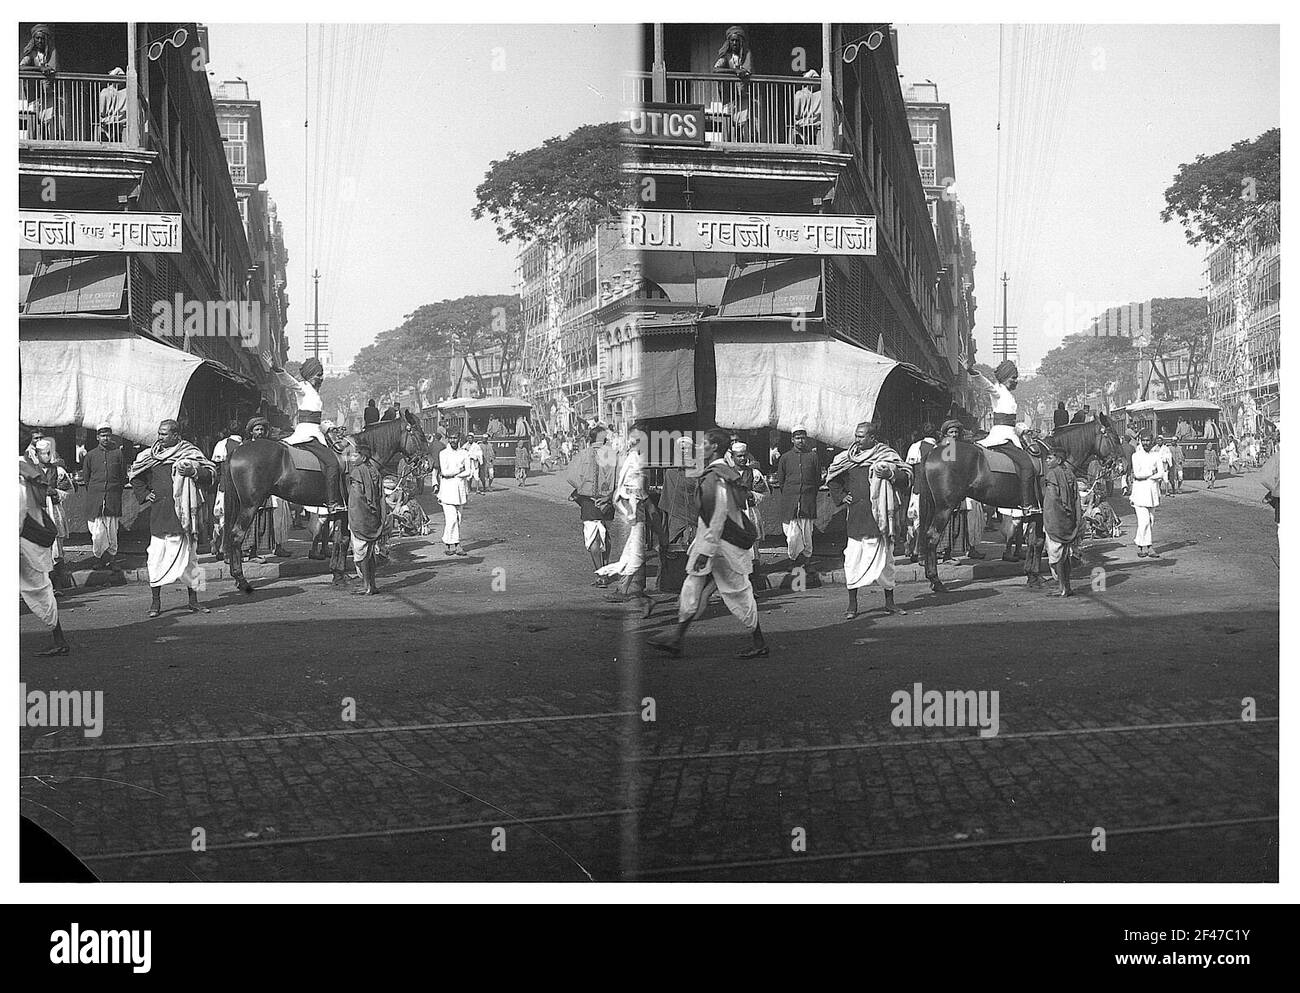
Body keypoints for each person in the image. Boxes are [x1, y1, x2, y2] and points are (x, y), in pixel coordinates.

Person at [648, 428, 768, 660]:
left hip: (722, 546)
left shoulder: (718, 475)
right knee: (692, 587)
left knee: (737, 593)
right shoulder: (715, 472)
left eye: (702, 443)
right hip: (713, 544)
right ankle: (677, 638)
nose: (698, 447)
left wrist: (705, 551)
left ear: (714, 447)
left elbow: (719, 516)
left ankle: (759, 641)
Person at [129, 420, 216, 617]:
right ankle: (155, 603)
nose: (160, 437)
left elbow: (210, 474)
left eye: (164, 434)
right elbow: (135, 475)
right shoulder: (150, 455)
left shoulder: (190, 452)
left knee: (190, 560)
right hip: (160, 514)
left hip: (183, 517)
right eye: (159, 433)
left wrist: (193, 472)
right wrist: (144, 494)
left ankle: (194, 601)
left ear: (176, 435)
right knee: (155, 558)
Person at [826, 422, 911, 620]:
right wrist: (841, 496)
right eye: (856, 435)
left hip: (880, 519)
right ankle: (852, 605)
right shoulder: (847, 457)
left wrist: (890, 474)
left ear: (873, 438)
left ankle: (890, 603)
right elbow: (833, 477)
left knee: (886, 562)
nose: (857, 439)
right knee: (853, 561)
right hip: (857, 516)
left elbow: (906, 478)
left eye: (861, 436)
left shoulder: (887, 455)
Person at [274, 357, 344, 513]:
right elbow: (290, 382)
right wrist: (277, 369)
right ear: (310, 374)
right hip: (307, 434)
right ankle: (332, 501)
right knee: (332, 463)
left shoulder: (313, 392)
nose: (321, 378)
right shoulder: (304, 387)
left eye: (321, 375)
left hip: (316, 432)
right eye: (318, 375)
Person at [967, 359, 1037, 511]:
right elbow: (986, 385)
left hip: (1012, 434)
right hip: (1002, 437)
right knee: (1026, 465)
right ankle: (1026, 504)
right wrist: (971, 371)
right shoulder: (998, 391)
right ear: (1005, 377)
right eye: (1013, 378)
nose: (1015, 381)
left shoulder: (1009, 395)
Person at [597, 428, 653, 615]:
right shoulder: (630, 458)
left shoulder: (639, 462)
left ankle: (638, 598)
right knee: (631, 554)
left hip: (636, 513)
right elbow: (621, 485)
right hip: (629, 513)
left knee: (634, 556)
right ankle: (627, 592)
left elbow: (641, 493)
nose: (630, 442)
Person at [19, 457, 69, 656]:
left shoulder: (22, 471)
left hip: (26, 540)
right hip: (29, 538)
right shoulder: (25, 467)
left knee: (38, 588)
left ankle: (59, 640)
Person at [563, 425, 617, 584]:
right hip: (606, 501)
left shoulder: (582, 455)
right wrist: (607, 495)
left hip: (588, 502)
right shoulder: (610, 454)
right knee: (605, 534)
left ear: (590, 439)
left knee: (593, 538)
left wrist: (582, 487)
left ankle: (601, 575)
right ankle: (605, 570)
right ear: (605, 439)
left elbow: (571, 477)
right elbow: (614, 478)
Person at [658, 436, 703, 596]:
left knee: (694, 549)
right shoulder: (670, 472)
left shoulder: (698, 471)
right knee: (673, 549)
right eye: (681, 450)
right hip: (675, 517)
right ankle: (672, 583)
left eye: (687, 449)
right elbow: (667, 497)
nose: (684, 452)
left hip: (694, 516)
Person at [775, 427, 822, 576]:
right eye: (797, 438)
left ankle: (807, 562)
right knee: (791, 534)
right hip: (790, 502)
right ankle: (793, 560)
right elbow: (781, 481)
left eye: (803, 438)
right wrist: (792, 494)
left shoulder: (812, 456)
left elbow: (817, 479)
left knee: (807, 533)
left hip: (807, 501)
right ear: (792, 440)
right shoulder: (785, 457)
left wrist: (807, 493)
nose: (800, 441)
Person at [82, 423, 128, 570]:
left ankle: (112, 560)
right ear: (97, 437)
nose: (106, 438)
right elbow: (87, 479)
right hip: (95, 498)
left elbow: (122, 476)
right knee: (97, 531)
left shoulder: (118, 454)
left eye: (108, 435)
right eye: (102, 435)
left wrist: (114, 490)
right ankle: (99, 559)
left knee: (112, 530)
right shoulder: (90, 455)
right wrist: (96, 491)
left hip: (112, 497)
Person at [1041, 443, 1082, 597]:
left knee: (1056, 555)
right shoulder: (1070, 474)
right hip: (1069, 521)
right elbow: (1075, 498)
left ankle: (1061, 587)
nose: (1046, 461)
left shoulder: (1052, 474)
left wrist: (1049, 520)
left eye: (1049, 458)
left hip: (1056, 521)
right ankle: (1067, 586)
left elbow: (1052, 501)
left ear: (1058, 460)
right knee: (1065, 555)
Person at [346, 442, 386, 594]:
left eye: (355, 455)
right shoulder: (375, 471)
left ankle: (366, 585)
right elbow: (379, 496)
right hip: (373, 518)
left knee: (360, 553)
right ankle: (372, 584)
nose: (351, 458)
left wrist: (354, 518)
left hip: (361, 518)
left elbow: (357, 499)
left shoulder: (357, 472)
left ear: (363, 457)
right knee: (370, 553)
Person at [437, 432, 473, 556]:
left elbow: (468, 471)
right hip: (447, 491)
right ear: (448, 439)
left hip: (460, 490)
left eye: (455, 438)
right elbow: (445, 472)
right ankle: (455, 545)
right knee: (451, 519)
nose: (453, 440)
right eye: (451, 438)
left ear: (459, 439)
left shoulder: (464, 453)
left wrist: (456, 474)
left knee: (458, 519)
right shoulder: (443, 453)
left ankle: (450, 543)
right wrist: (459, 470)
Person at [1128, 432, 1162, 559]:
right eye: (1144, 440)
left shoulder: (1156, 455)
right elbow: (1137, 474)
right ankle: (1148, 547)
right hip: (1140, 491)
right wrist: (1152, 473)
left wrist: (1150, 475)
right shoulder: (1135, 456)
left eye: (1148, 440)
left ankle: (1140, 543)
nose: (1146, 443)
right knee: (1143, 521)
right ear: (1141, 441)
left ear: (1152, 441)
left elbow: (1161, 473)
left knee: (1151, 520)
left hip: (1152, 491)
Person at [98, 66, 127, 141]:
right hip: (117, 123)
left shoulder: (105, 92)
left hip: (111, 123)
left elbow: (102, 112)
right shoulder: (105, 92)